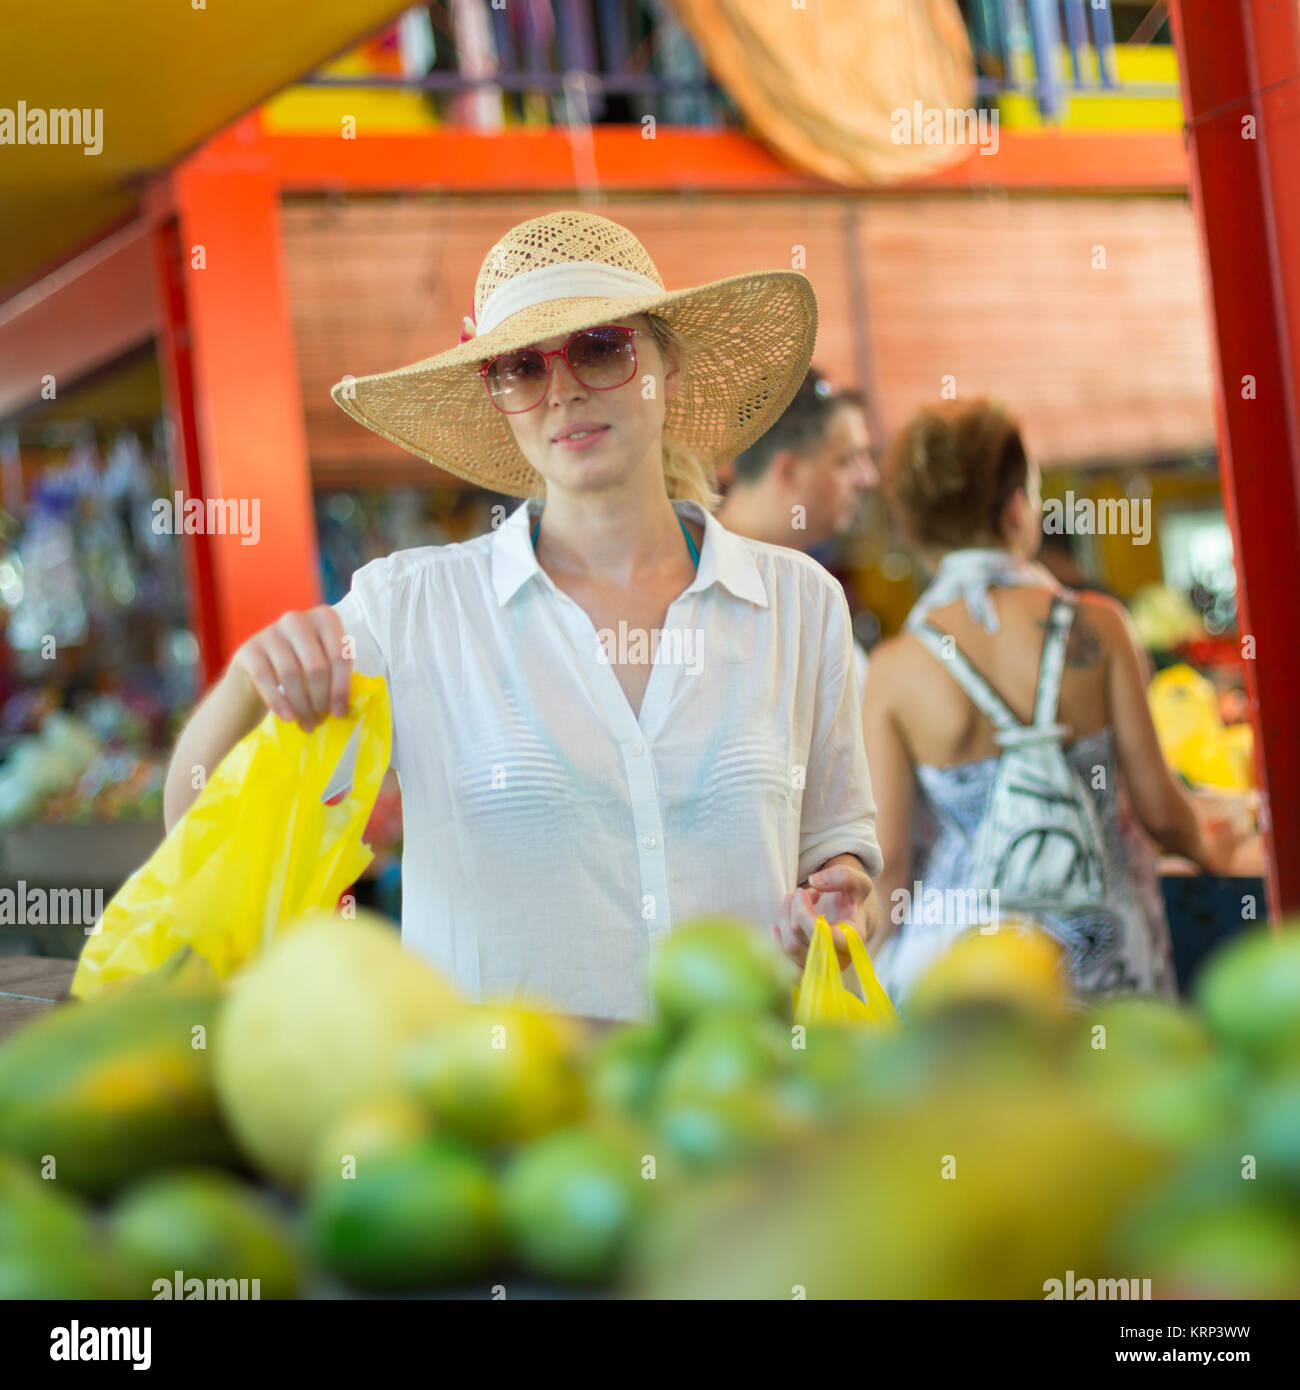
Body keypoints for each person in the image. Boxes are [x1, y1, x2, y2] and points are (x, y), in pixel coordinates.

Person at [164, 209, 883, 1020]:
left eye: (602, 348)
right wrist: (251, 678)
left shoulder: (798, 603)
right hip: (499, 1123)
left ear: (668, 365)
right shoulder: (410, 609)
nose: (565, 388)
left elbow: (840, 855)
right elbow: (199, 826)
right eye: (521, 367)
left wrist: (838, 901)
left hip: (735, 1106)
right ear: (500, 398)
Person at [862, 399, 1237, 1004]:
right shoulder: (1100, 627)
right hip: (1102, 961)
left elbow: (892, 865)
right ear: (1016, 507)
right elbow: (1162, 813)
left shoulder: (894, 670)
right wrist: (1214, 846)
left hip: (964, 977)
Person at [715, 368, 879, 694]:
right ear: (789, 471)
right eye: (848, 461)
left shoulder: (802, 583)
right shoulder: (710, 591)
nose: (869, 478)